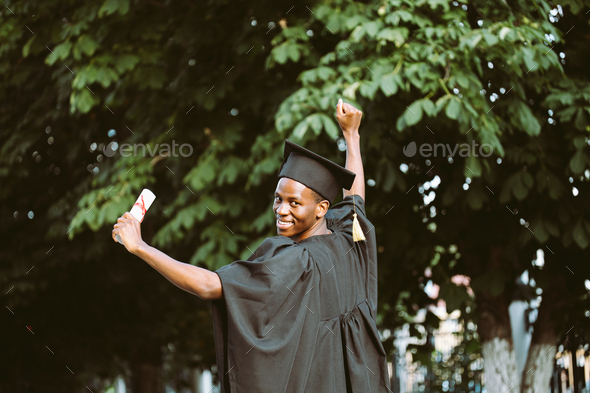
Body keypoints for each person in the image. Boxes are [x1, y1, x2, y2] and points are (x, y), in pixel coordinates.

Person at [112, 99, 391, 392]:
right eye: (278, 199)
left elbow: (209, 285)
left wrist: (141, 247)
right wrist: (352, 136)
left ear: (322, 208)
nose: (282, 210)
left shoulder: (294, 261)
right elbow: (354, 197)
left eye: (294, 203)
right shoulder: (348, 239)